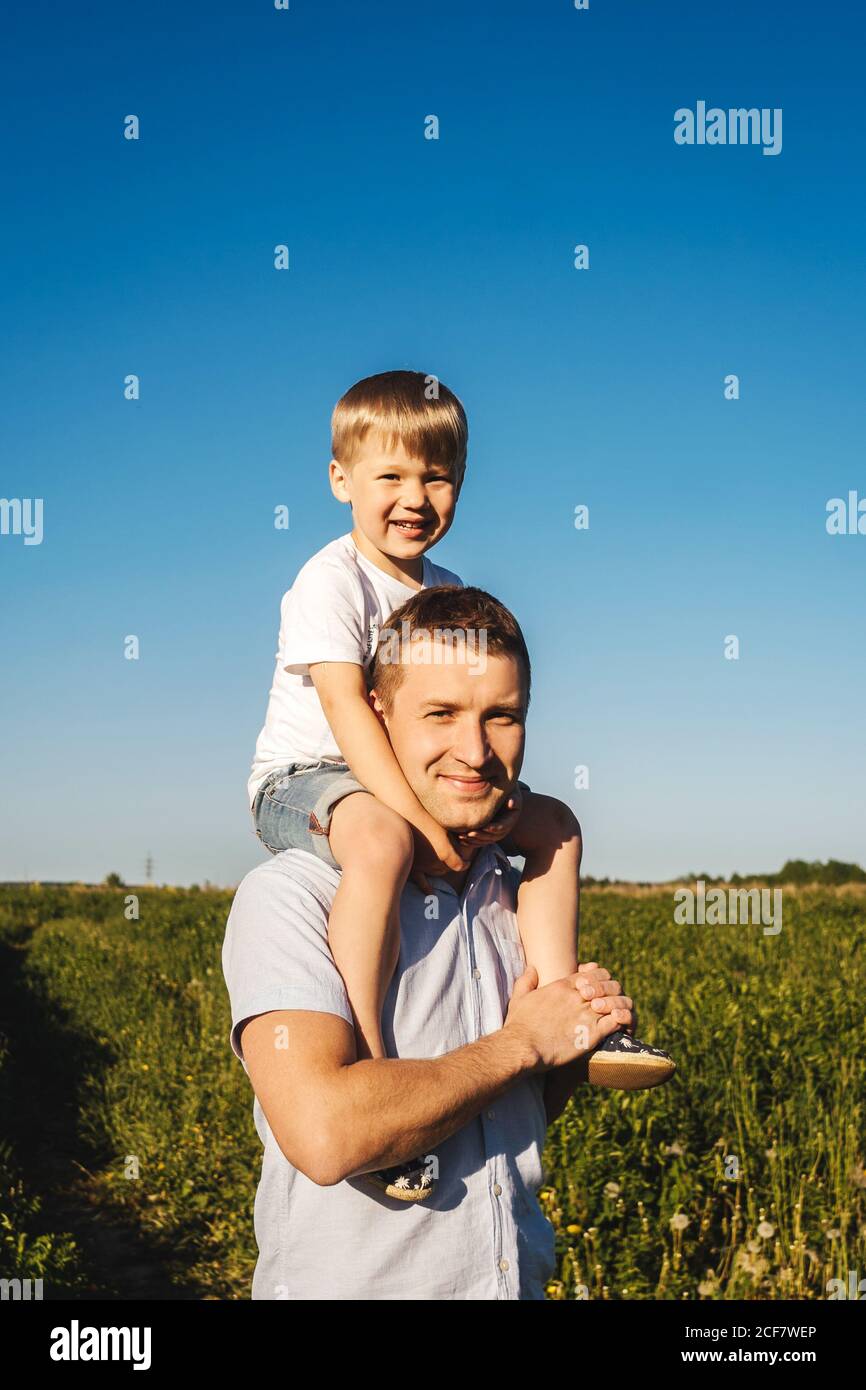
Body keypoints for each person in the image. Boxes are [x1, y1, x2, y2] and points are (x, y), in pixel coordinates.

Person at [247, 371, 674, 1198]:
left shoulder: (445, 594)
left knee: (552, 821)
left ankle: (565, 1003)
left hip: (397, 783)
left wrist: (491, 811)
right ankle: (373, 1056)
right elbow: (347, 709)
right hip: (305, 778)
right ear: (341, 480)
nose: (415, 496)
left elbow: (462, 714)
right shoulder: (329, 581)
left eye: (437, 476)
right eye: (392, 476)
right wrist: (426, 824)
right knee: (379, 839)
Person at [223, 587, 645, 1299]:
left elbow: (512, 1110)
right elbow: (327, 1136)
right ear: (377, 715)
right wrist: (521, 1045)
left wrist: (573, 1039)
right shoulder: (291, 898)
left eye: (502, 717)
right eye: (441, 714)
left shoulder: (508, 895)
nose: (475, 751)